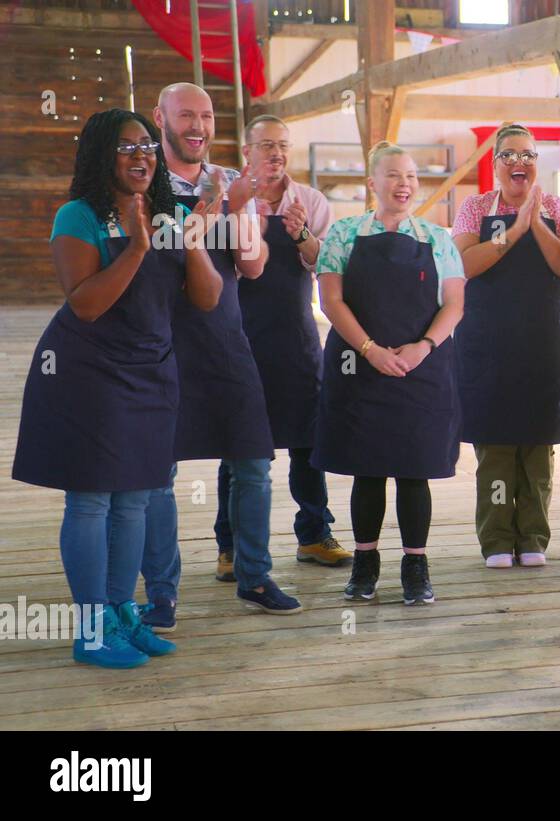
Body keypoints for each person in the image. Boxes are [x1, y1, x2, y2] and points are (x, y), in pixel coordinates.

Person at [12, 108, 223, 668]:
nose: (141, 157)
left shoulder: (166, 214)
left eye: (149, 147)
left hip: (151, 372)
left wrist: (194, 241)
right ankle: (91, 630)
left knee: (134, 500)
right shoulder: (77, 216)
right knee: (92, 500)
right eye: (128, 147)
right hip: (89, 374)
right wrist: (135, 246)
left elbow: (206, 299)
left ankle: (121, 614)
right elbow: (85, 303)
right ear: (103, 155)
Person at [141, 82, 300, 631]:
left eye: (206, 116)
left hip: (226, 338)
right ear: (160, 117)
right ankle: (162, 593)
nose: (198, 126)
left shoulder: (230, 180)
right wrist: (222, 208)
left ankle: (253, 576)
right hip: (158, 341)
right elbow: (169, 246)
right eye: (187, 115)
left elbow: (252, 266)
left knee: (254, 462)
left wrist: (245, 220)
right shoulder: (143, 180)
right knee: (156, 475)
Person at [315, 141, 466, 605]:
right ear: (372, 183)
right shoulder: (342, 234)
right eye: (394, 175)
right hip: (359, 369)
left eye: (411, 176)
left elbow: (455, 304)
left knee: (414, 471)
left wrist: (423, 347)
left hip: (421, 369)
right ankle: (364, 565)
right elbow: (331, 300)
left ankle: (415, 567)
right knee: (368, 470)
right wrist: (369, 349)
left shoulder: (438, 240)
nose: (404, 184)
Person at [213, 114, 348, 574]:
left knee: (308, 441)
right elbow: (212, 265)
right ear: (246, 152)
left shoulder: (309, 200)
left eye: (283, 145)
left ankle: (313, 534)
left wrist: (302, 236)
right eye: (266, 144)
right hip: (239, 337)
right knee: (239, 445)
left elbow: (330, 266)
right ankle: (229, 546)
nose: (276, 153)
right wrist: (236, 213)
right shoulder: (229, 200)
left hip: (295, 337)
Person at [452, 123, 560, 569]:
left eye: (527, 155)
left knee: (538, 447)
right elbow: (466, 263)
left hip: (542, 340)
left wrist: (534, 225)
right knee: (496, 445)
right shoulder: (474, 207)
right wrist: (511, 232)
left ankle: (533, 536)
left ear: (536, 163)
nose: (519, 162)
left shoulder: (558, 208)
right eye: (509, 155)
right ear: (496, 163)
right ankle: (497, 538)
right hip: (488, 341)